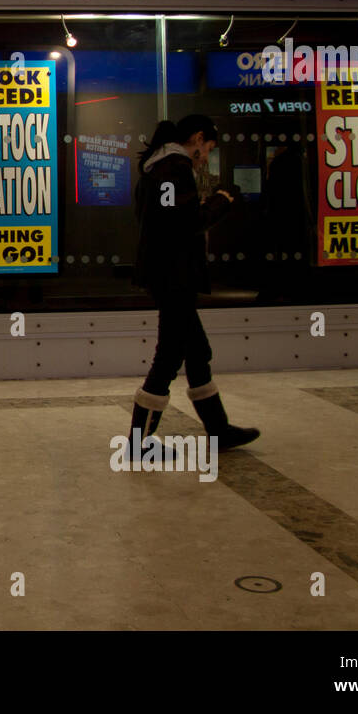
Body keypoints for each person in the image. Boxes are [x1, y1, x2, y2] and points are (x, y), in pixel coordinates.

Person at [129, 114, 259, 459]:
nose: (205, 157)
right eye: (208, 149)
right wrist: (222, 200)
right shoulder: (174, 167)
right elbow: (185, 223)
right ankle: (139, 442)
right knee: (170, 355)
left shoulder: (158, 167)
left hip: (167, 274)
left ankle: (218, 429)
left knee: (197, 352)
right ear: (198, 138)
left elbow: (167, 217)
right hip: (173, 275)